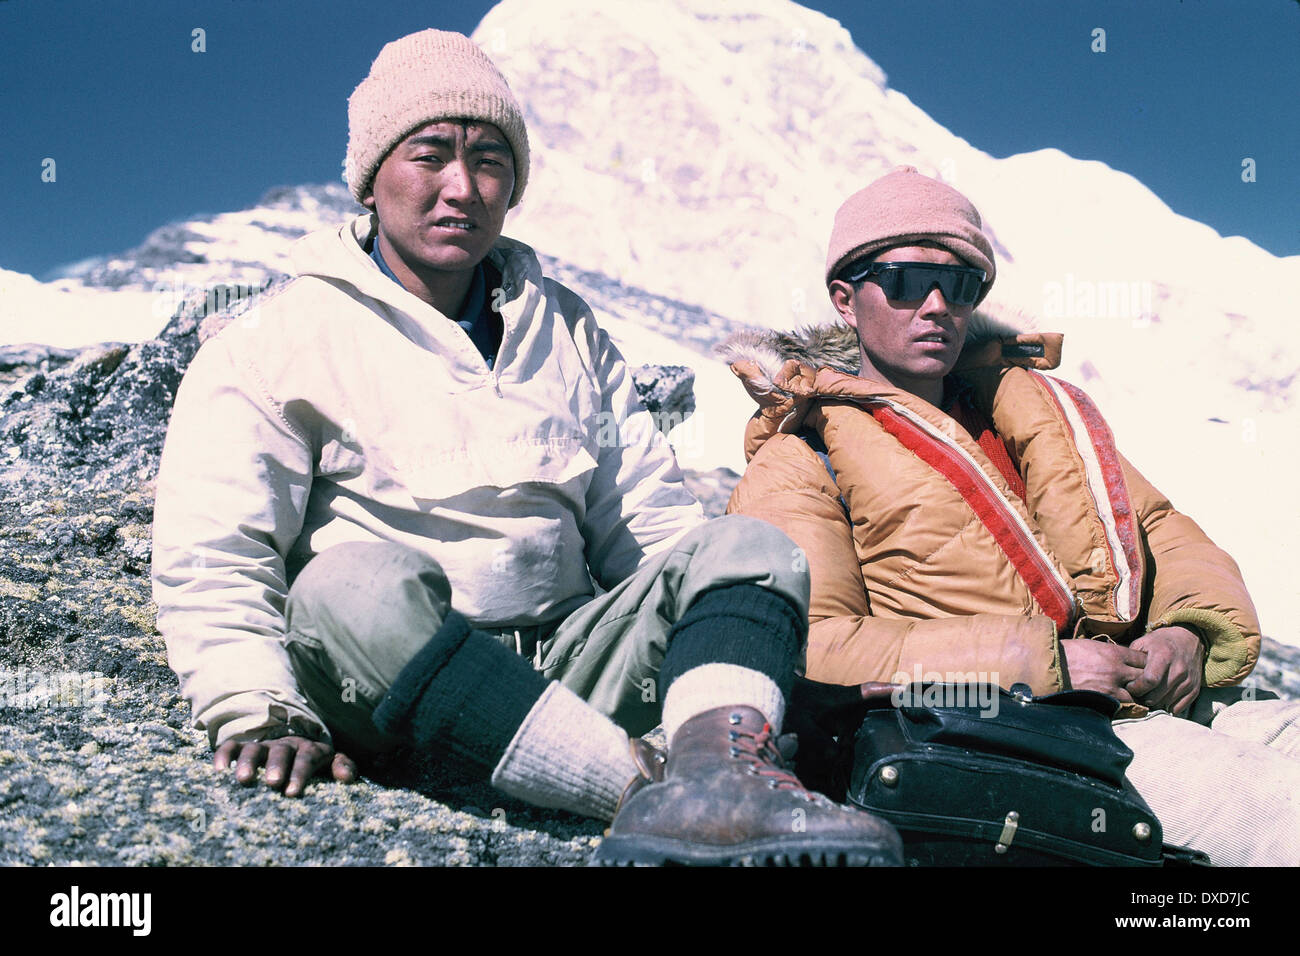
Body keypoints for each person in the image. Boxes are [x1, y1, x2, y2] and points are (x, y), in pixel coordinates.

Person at [150, 29, 901, 867]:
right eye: (430, 156)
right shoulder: (277, 337)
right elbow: (215, 551)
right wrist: (259, 709)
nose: (462, 189)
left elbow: (650, 529)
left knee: (750, 547)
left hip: (570, 667)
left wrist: (723, 641)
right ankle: (645, 790)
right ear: (371, 177)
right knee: (347, 585)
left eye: (491, 162)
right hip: (392, 680)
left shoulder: (567, 330)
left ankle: (718, 779)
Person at [722, 165, 1300, 865]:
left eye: (960, 283)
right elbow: (819, 645)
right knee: (1283, 814)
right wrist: (1042, 663)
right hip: (1021, 739)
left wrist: (1188, 633)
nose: (935, 304)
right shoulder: (803, 454)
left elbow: (1167, 533)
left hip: (1150, 705)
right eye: (904, 280)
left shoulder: (1036, 418)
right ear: (846, 298)